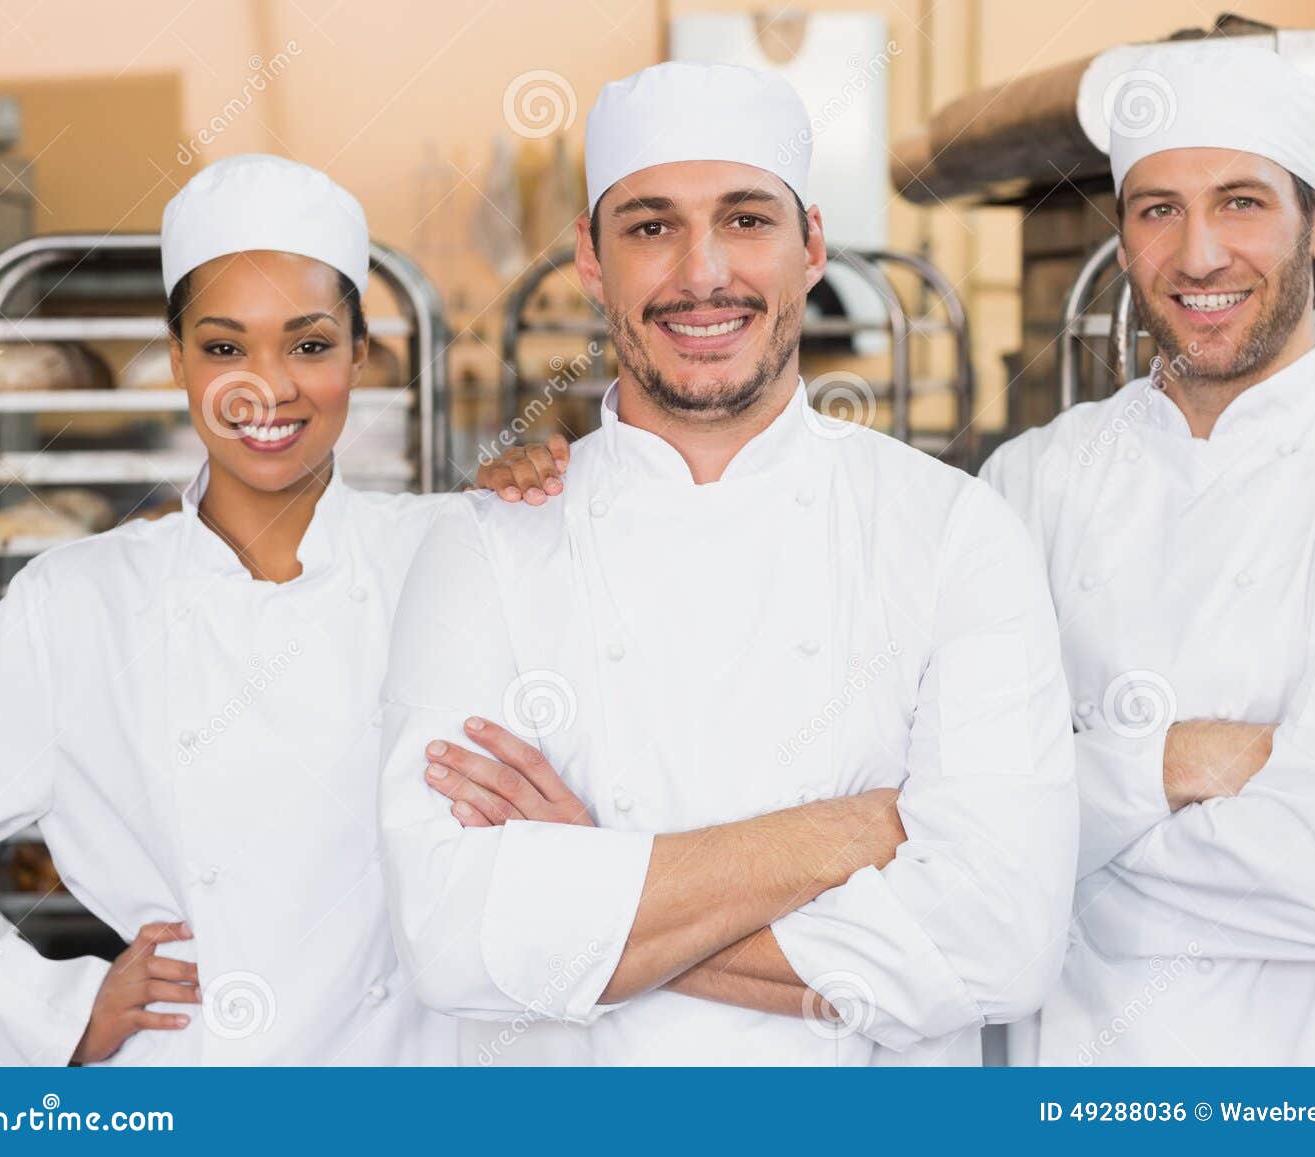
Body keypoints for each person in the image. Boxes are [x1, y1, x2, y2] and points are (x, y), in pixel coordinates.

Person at [379, 61, 1078, 1067]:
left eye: (746, 219)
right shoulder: (482, 543)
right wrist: (833, 838)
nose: (701, 272)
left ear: (812, 247)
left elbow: (1000, 948)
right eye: (651, 225)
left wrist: (584, 888)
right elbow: (451, 939)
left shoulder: (953, 531)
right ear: (589, 255)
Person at [0, 154, 557, 1065]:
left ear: (362, 351)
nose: (265, 386)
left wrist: (557, 497)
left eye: (310, 344)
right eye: (224, 345)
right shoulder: (81, 605)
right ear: (176, 358)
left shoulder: (456, 552)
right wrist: (47, 1013)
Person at [982, 41, 1315, 1064]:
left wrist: (1072, 841)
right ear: (1121, 240)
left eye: (1242, 202)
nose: (1200, 253)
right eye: (1156, 208)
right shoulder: (1028, 483)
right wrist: (1177, 760)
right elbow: (960, 824)